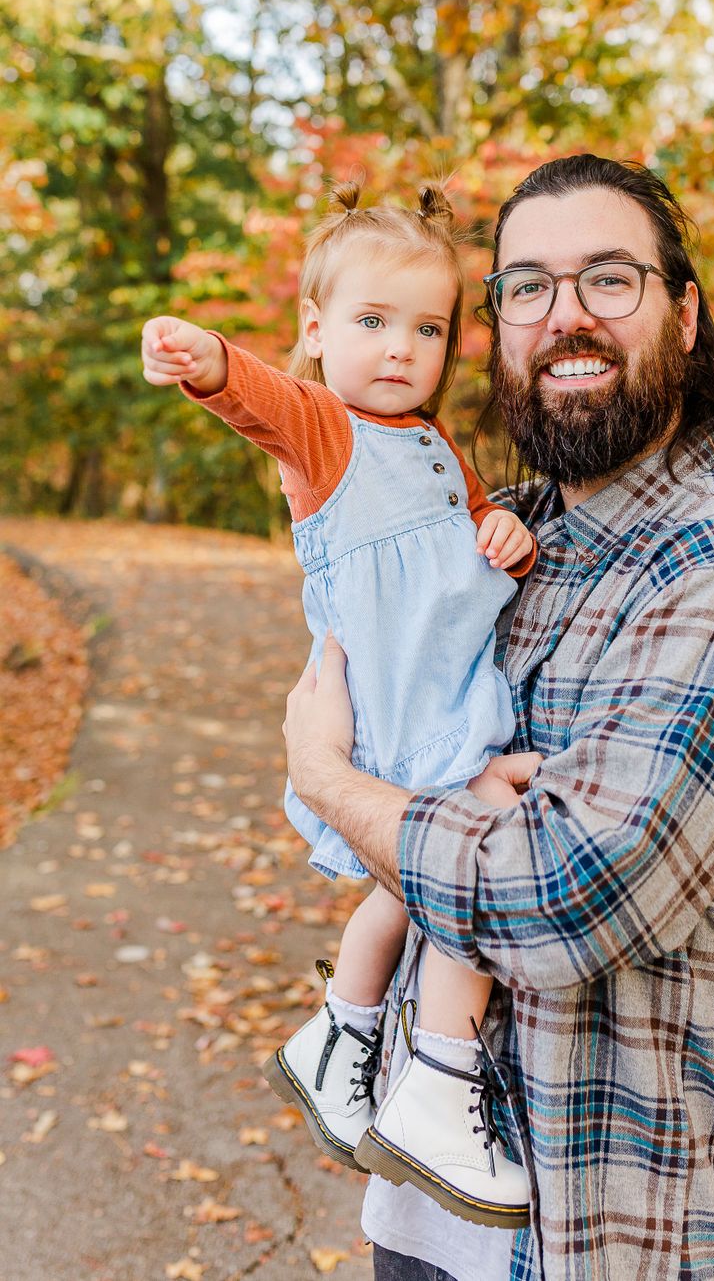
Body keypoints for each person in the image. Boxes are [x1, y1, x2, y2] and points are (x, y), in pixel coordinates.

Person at [281, 155, 714, 1281]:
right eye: (527, 289)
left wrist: (335, 784)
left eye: (609, 278)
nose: (566, 317)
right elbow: (390, 701)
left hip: (604, 1238)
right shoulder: (506, 531)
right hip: (427, 1206)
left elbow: (563, 895)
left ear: (683, 316)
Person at [139, 182, 537, 1228]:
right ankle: (442, 1084)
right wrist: (203, 356)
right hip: (400, 719)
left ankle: (340, 1036)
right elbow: (252, 395)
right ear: (317, 331)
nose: (401, 349)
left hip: (448, 699)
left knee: (407, 895)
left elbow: (473, 519)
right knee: (464, 871)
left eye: (428, 328)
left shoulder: (437, 446)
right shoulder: (324, 429)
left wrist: (501, 532)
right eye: (371, 322)